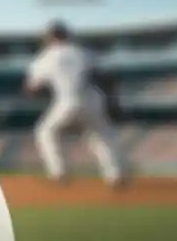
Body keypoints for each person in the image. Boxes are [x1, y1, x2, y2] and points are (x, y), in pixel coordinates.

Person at [24, 21, 127, 187]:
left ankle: (59, 172)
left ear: (49, 38)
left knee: (45, 132)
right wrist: (113, 103)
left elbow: (32, 89)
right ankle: (115, 176)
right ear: (67, 34)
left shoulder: (44, 58)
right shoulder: (84, 53)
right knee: (102, 136)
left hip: (66, 100)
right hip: (93, 98)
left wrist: (43, 92)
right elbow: (106, 79)